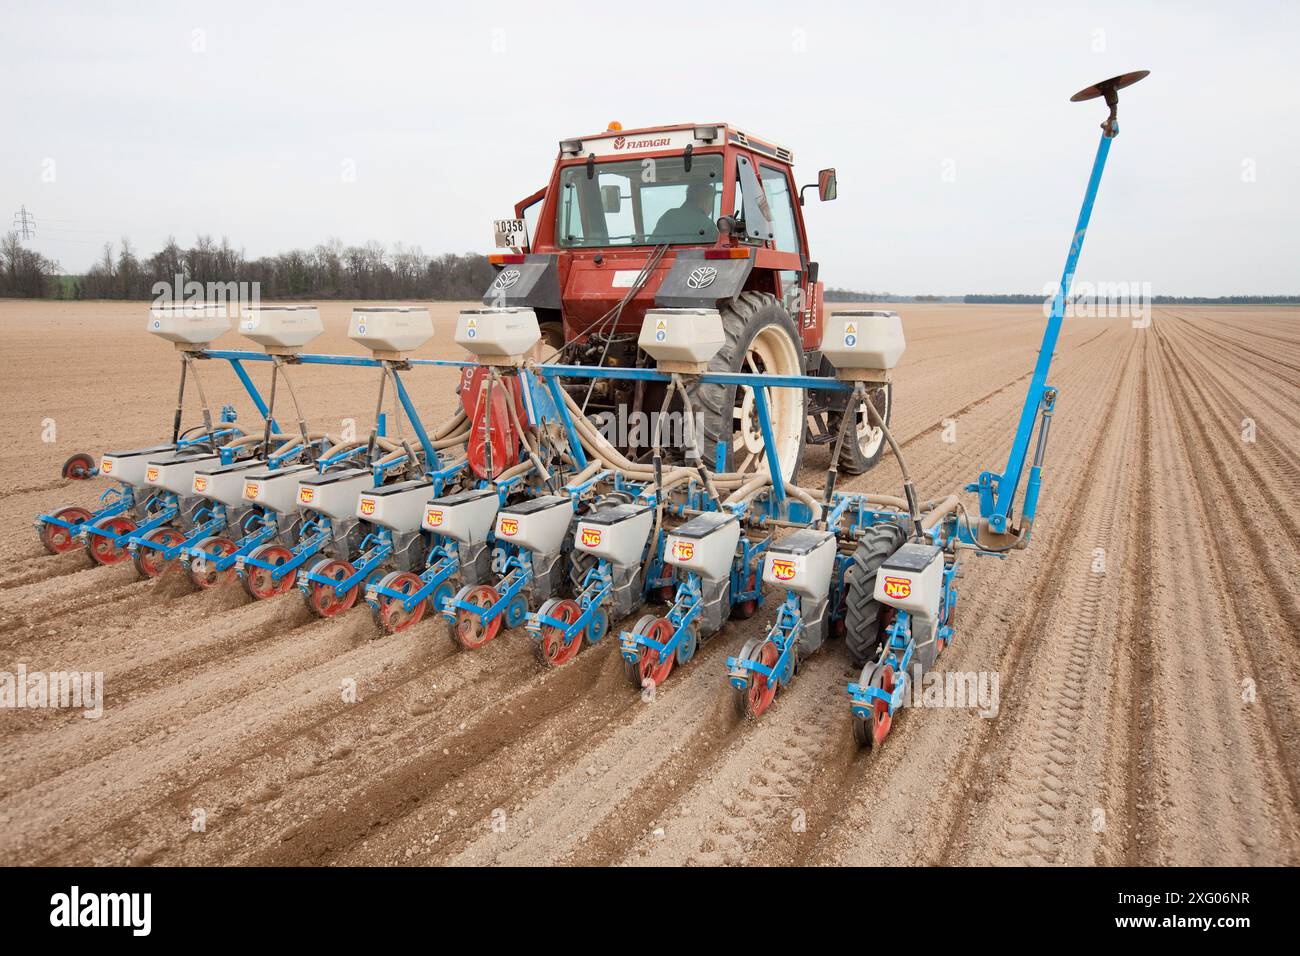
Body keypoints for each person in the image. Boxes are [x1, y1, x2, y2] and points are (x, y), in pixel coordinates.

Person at [651, 181, 718, 242]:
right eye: (712, 203)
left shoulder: (668, 215)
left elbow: (652, 244)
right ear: (705, 202)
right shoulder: (707, 224)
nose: (711, 208)